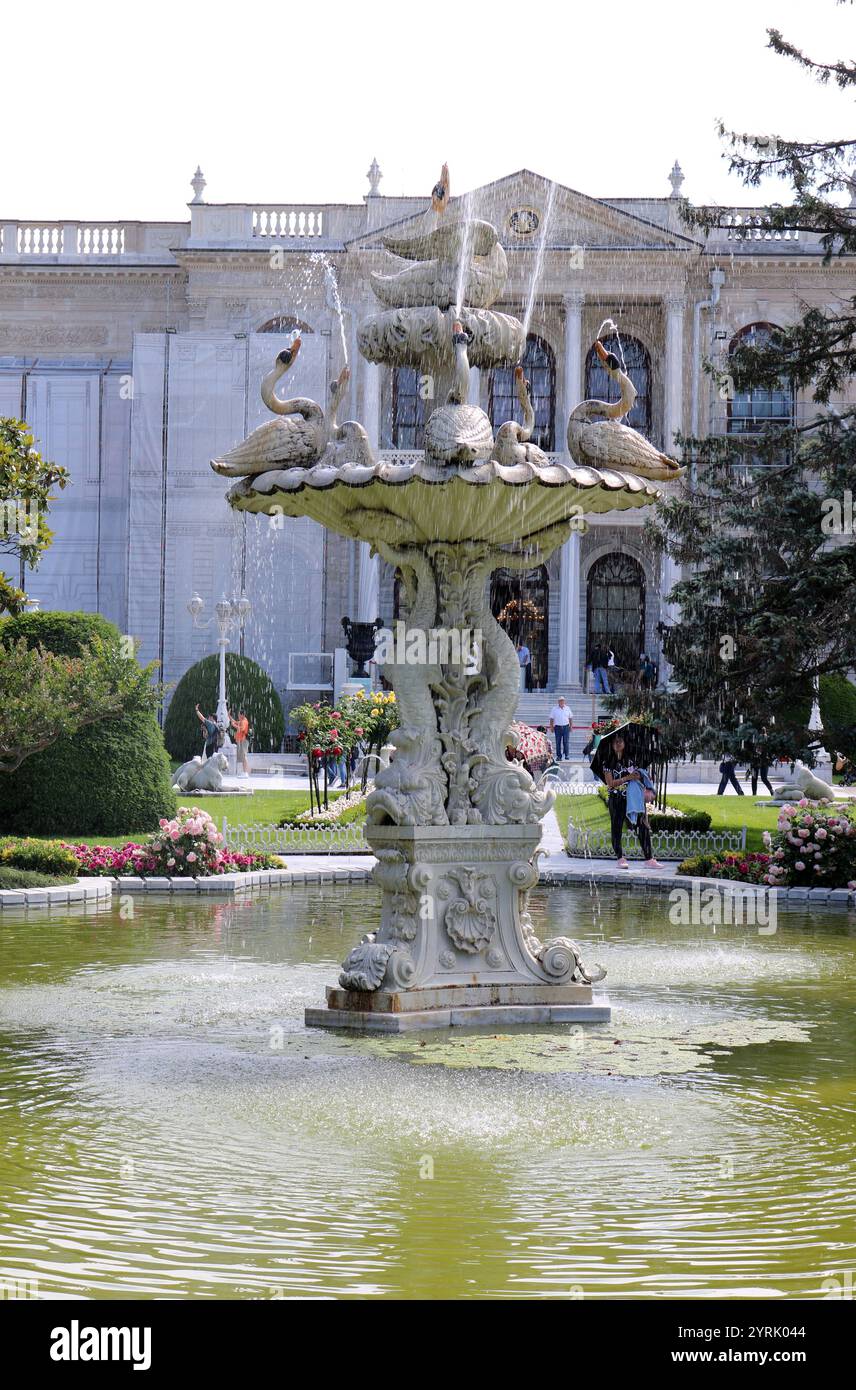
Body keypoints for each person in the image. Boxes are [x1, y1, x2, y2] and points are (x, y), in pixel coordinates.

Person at [600, 732, 661, 869]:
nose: (618, 743)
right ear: (611, 744)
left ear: (625, 743)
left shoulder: (631, 760)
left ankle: (649, 858)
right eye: (615, 741)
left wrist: (639, 775)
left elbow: (638, 776)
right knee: (617, 828)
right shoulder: (608, 761)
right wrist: (627, 778)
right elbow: (610, 783)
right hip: (616, 799)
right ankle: (620, 858)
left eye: (620, 741)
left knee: (642, 826)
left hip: (632, 799)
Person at [748, 727, 774, 796]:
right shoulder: (756, 740)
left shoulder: (766, 741)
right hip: (756, 761)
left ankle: (771, 791)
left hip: (762, 762)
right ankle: (755, 793)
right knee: (757, 778)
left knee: (762, 778)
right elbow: (753, 750)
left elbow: (767, 751)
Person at [549, 696, 572, 762]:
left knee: (566, 741)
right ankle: (559, 756)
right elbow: (551, 718)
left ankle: (567, 755)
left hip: (566, 727)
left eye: (562, 700)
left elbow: (570, 718)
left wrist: (571, 726)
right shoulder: (554, 709)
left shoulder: (568, 708)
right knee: (558, 742)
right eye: (560, 701)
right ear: (558, 702)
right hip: (557, 727)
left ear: (564, 701)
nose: (561, 702)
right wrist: (551, 727)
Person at [230, 709, 251, 776]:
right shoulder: (241, 721)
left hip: (243, 740)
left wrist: (234, 725)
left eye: (239, 714)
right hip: (242, 740)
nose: (238, 716)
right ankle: (244, 772)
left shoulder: (244, 721)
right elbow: (234, 721)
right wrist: (229, 715)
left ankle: (245, 772)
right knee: (243, 756)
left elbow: (241, 729)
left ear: (242, 715)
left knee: (244, 756)